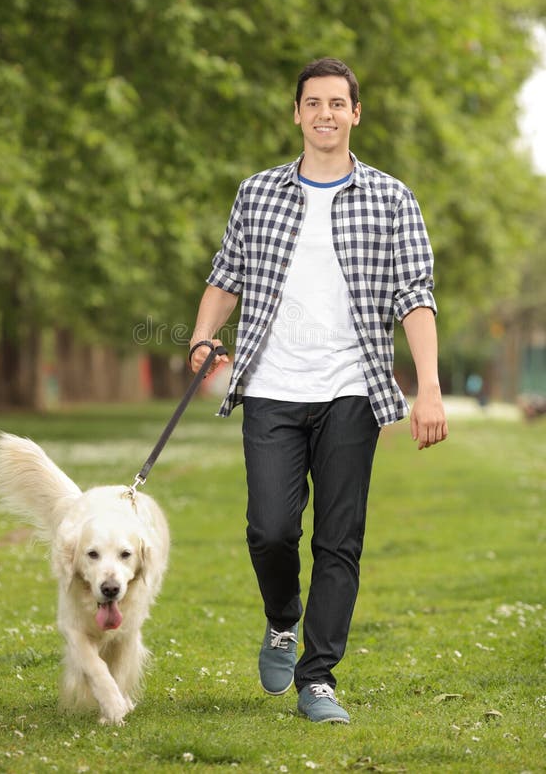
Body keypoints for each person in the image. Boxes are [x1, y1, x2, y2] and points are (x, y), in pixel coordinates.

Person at [189, 57, 448, 724]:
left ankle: (318, 678)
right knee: (270, 530)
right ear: (297, 113)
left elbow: (415, 297)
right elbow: (227, 274)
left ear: (356, 114)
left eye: (339, 103)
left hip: (352, 391)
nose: (326, 114)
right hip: (272, 386)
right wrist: (201, 336)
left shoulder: (392, 198)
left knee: (339, 538)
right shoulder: (258, 192)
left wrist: (429, 389)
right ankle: (282, 618)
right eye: (314, 103)